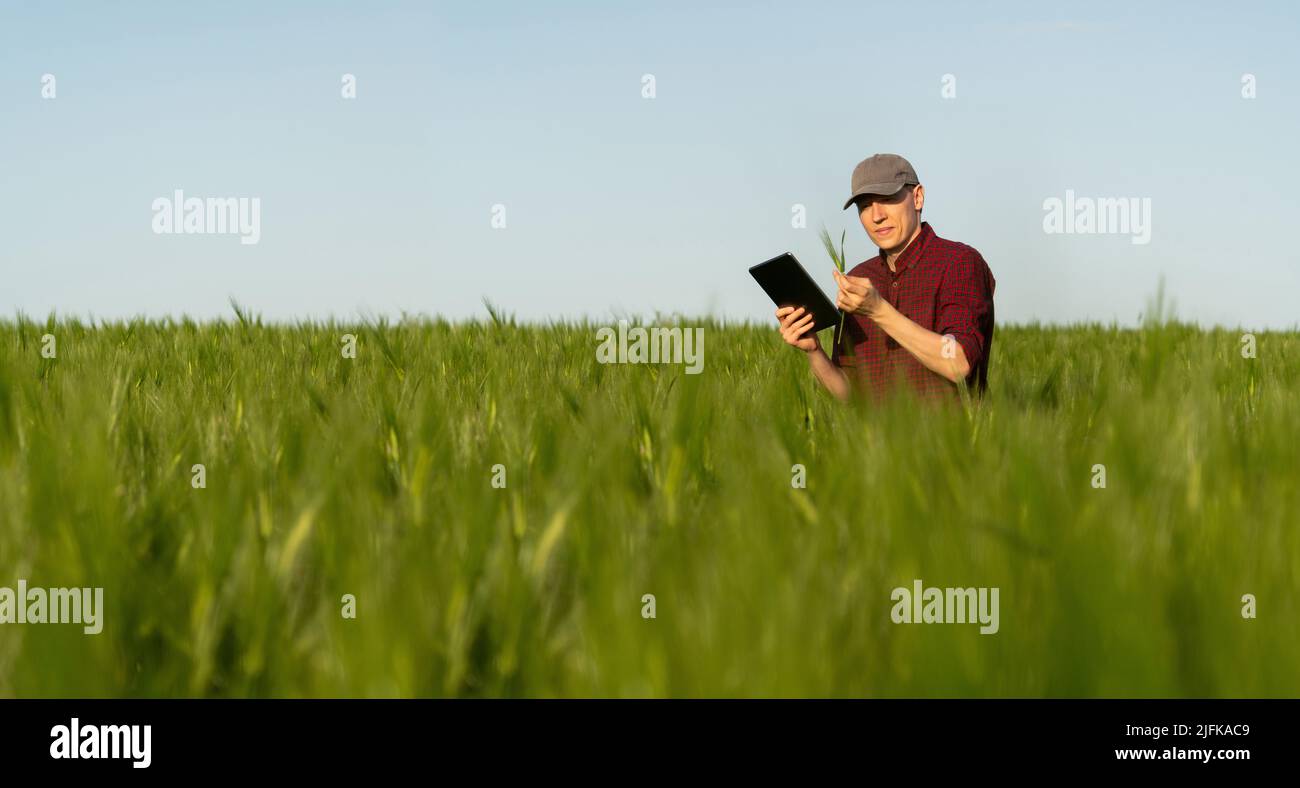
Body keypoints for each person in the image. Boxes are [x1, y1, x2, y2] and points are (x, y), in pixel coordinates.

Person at [776, 153, 996, 402]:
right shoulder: (860, 278)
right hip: (877, 441)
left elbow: (958, 362)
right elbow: (851, 396)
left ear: (918, 197)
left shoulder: (959, 262)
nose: (876, 216)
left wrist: (878, 310)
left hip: (948, 440)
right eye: (865, 205)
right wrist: (814, 350)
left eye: (888, 199)